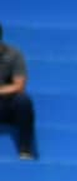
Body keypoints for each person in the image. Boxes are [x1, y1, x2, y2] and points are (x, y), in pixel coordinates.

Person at [0, 23, 35, 159]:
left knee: (23, 100)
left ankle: (25, 149)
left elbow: (19, 85)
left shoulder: (14, 54)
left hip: (5, 104)